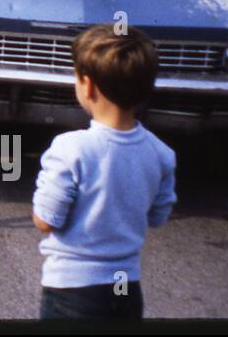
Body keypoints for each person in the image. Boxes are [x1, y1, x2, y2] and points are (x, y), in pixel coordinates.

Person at [32, 24, 176, 320]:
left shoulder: (70, 148)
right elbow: (158, 216)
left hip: (72, 290)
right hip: (127, 290)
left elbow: (46, 221)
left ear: (87, 86)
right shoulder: (161, 153)